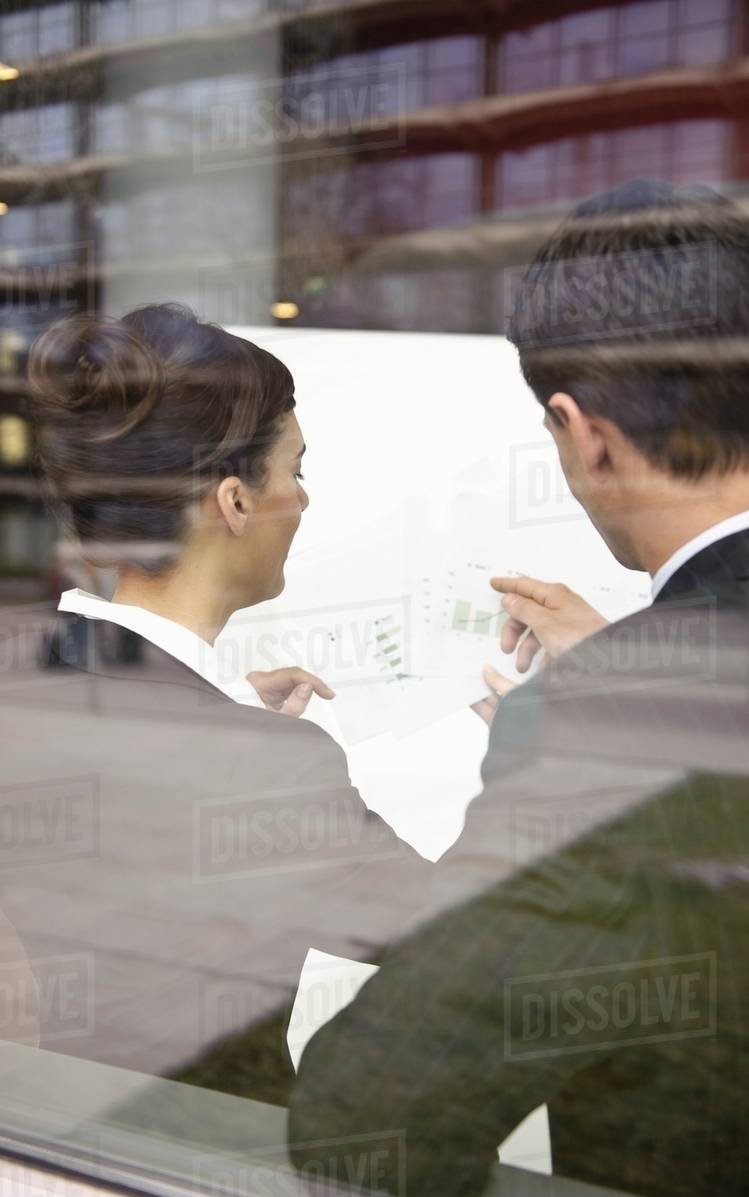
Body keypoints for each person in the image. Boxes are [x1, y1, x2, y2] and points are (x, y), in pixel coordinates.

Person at [288, 180, 749, 1197]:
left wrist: (620, 702)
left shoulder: (623, 714)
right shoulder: (699, 676)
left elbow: (369, 1112)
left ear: (584, 433)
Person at [2, 303, 430, 1090]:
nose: (302, 500)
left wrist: (216, 708)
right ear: (234, 501)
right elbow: (464, 933)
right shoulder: (265, 767)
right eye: (294, 470)